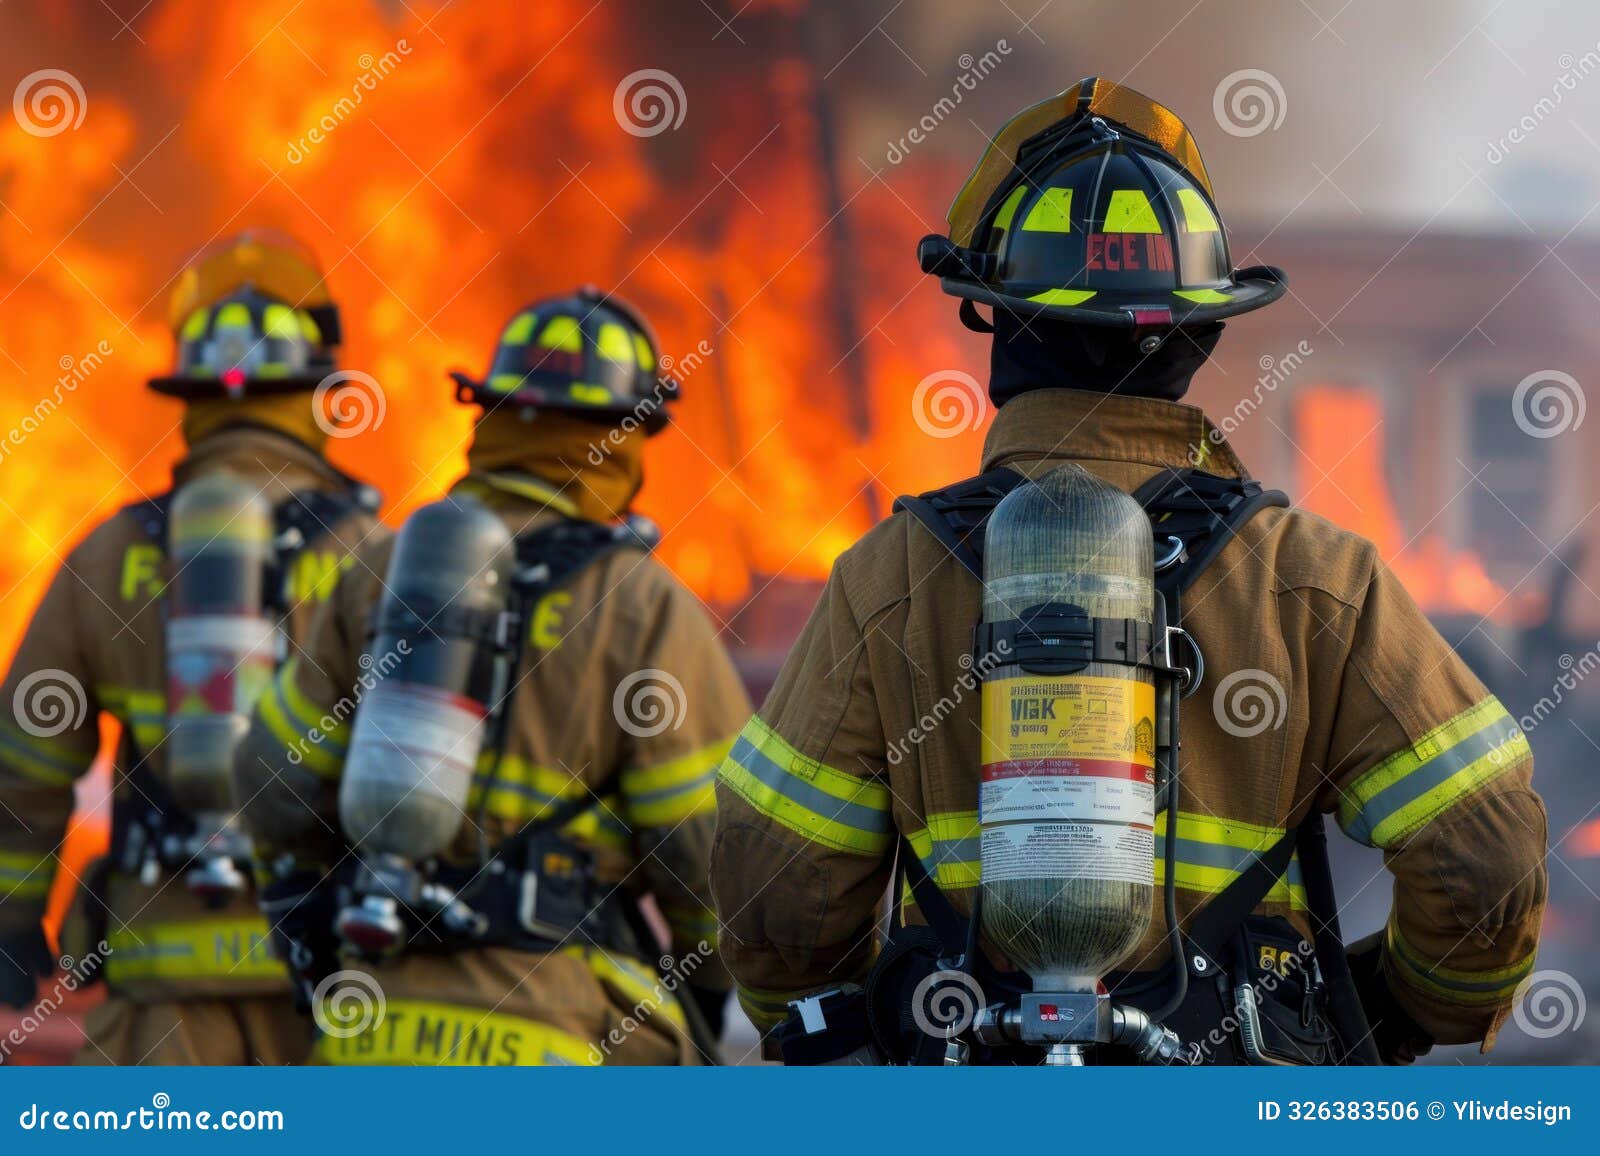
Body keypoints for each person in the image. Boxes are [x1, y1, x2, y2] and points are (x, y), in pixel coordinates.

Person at [709, 78, 1546, 1065]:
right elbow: (1483, 857)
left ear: (996, 321)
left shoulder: (884, 582)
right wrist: (1391, 1011)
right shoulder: (1316, 580)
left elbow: (774, 885)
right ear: (1198, 331)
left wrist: (849, 1031)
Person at [232, 287, 748, 1066]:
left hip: (373, 1028)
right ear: (625, 436)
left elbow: (274, 783)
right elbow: (710, 854)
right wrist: (705, 984)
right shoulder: (644, 606)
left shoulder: (378, 569)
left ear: (492, 416)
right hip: (560, 1037)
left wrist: (313, 927)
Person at [0, 231, 382, 1064]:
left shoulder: (112, 553)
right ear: (316, 390)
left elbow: (25, 762)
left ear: (191, 392)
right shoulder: (370, 554)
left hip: (161, 993)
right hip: (330, 985)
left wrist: (11, 921)